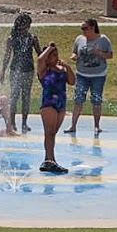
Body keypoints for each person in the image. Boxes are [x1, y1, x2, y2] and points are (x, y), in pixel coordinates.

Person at [66, 17, 113, 135]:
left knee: (96, 100)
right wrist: (74, 56)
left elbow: (110, 55)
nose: (83, 31)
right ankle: (73, 126)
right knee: (78, 100)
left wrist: (99, 53)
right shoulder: (79, 39)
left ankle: (97, 126)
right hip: (82, 74)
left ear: (93, 28)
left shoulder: (103, 40)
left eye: (85, 28)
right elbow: (74, 52)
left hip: (98, 75)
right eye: (82, 28)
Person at [36, 41, 75, 174]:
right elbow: (40, 59)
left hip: (61, 104)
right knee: (49, 133)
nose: (55, 57)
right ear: (47, 57)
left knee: (53, 134)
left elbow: (72, 81)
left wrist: (68, 67)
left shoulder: (62, 68)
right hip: (49, 104)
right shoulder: (44, 70)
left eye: (56, 54)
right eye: (52, 55)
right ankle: (50, 160)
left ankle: (49, 160)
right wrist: (49, 48)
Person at [0, 13, 41, 135]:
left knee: (26, 97)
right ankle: (12, 123)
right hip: (15, 71)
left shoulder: (32, 38)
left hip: (29, 71)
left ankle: (24, 123)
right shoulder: (12, 39)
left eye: (28, 25)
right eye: (27, 24)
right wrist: (3, 71)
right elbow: (7, 55)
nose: (27, 27)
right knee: (14, 97)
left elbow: (39, 54)